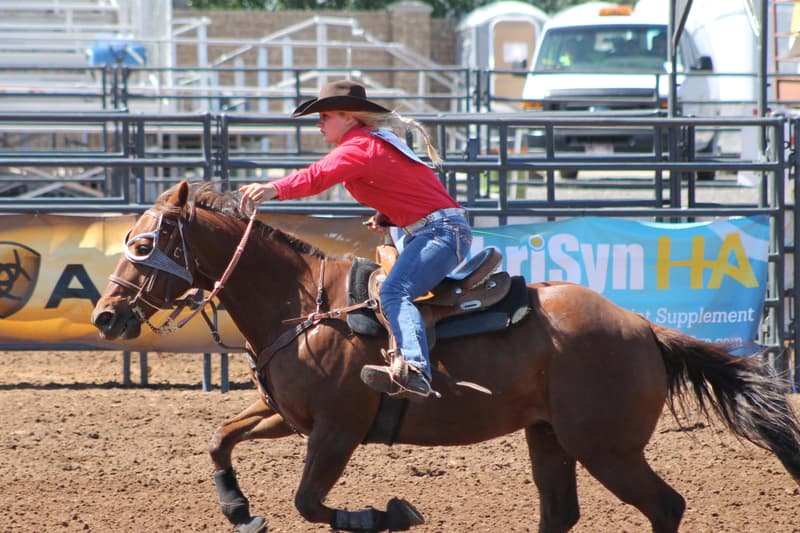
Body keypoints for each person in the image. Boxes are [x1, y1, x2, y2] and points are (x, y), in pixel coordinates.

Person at [238, 80, 472, 400]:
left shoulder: (359, 146)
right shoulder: (373, 141)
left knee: (394, 291)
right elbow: (409, 186)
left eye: (325, 116)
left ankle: (416, 369)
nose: (319, 124)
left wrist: (273, 188)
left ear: (348, 117)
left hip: (438, 233)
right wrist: (387, 215)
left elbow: (317, 176)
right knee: (391, 290)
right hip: (438, 230)